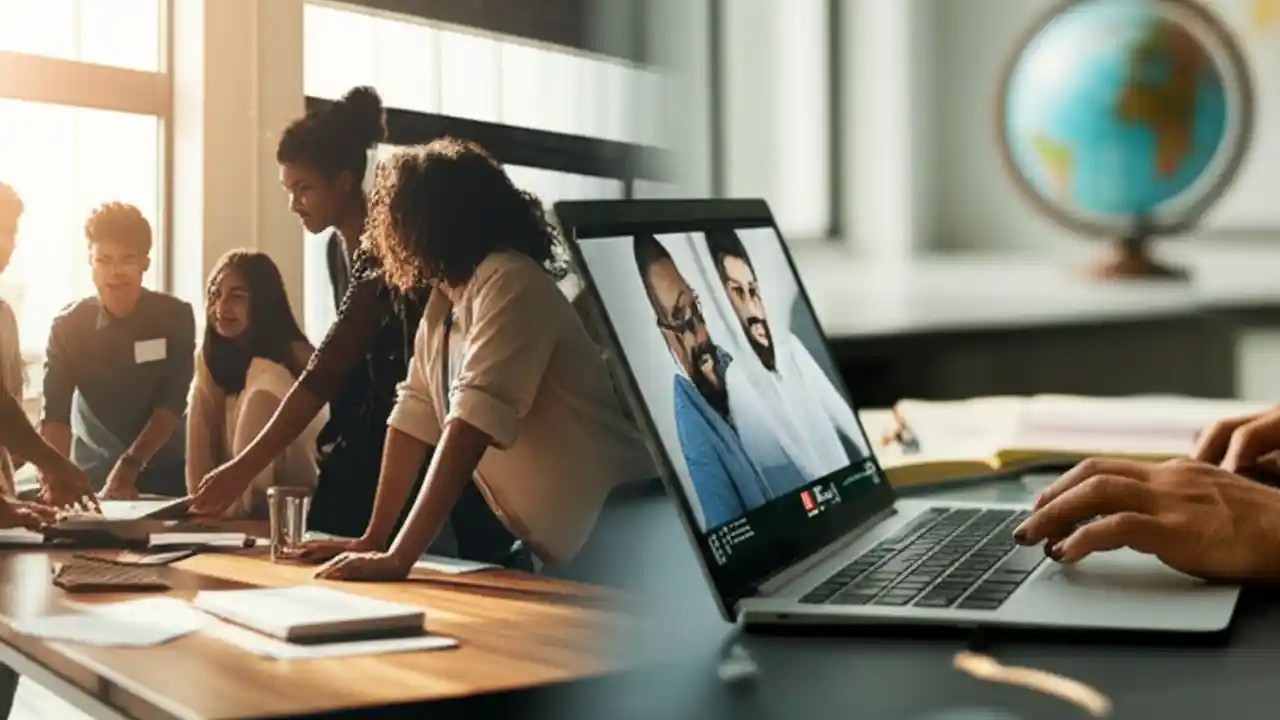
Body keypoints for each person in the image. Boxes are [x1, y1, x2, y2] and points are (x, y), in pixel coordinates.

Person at [193, 88, 516, 566]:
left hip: (418, 428)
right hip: (370, 432)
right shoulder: (336, 249)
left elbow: (332, 364)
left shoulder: (387, 246)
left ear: (344, 182)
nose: (294, 203)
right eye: (288, 190)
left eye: (303, 189)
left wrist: (245, 466)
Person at [311, 137, 653, 581]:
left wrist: (399, 557)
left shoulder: (510, 280)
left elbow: (469, 426)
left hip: (630, 530)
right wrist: (374, 538)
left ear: (433, 219)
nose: (389, 232)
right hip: (574, 549)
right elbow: (413, 416)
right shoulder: (444, 303)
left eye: (399, 216)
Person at [633, 233, 794, 529]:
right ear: (667, 336)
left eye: (696, 308)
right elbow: (726, 527)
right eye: (682, 319)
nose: (702, 333)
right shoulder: (693, 426)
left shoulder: (729, 362)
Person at [41, 202, 194, 499]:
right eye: (104, 260)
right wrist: (55, 474)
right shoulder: (68, 326)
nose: (115, 272)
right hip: (91, 473)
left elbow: (172, 402)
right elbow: (55, 413)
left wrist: (130, 464)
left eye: (127, 260)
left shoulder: (175, 317)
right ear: (90, 261)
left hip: (166, 470)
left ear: (145, 263)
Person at [704, 228, 870, 482]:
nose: (754, 309)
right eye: (737, 292)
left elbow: (843, 417)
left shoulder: (790, 349)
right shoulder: (738, 380)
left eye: (753, 290)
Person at [186, 250, 324, 517]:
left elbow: (241, 504)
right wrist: (204, 389)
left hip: (292, 524)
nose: (221, 306)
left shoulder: (269, 380)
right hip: (243, 524)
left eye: (236, 296)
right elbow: (197, 492)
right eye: (215, 294)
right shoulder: (218, 367)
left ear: (263, 303)